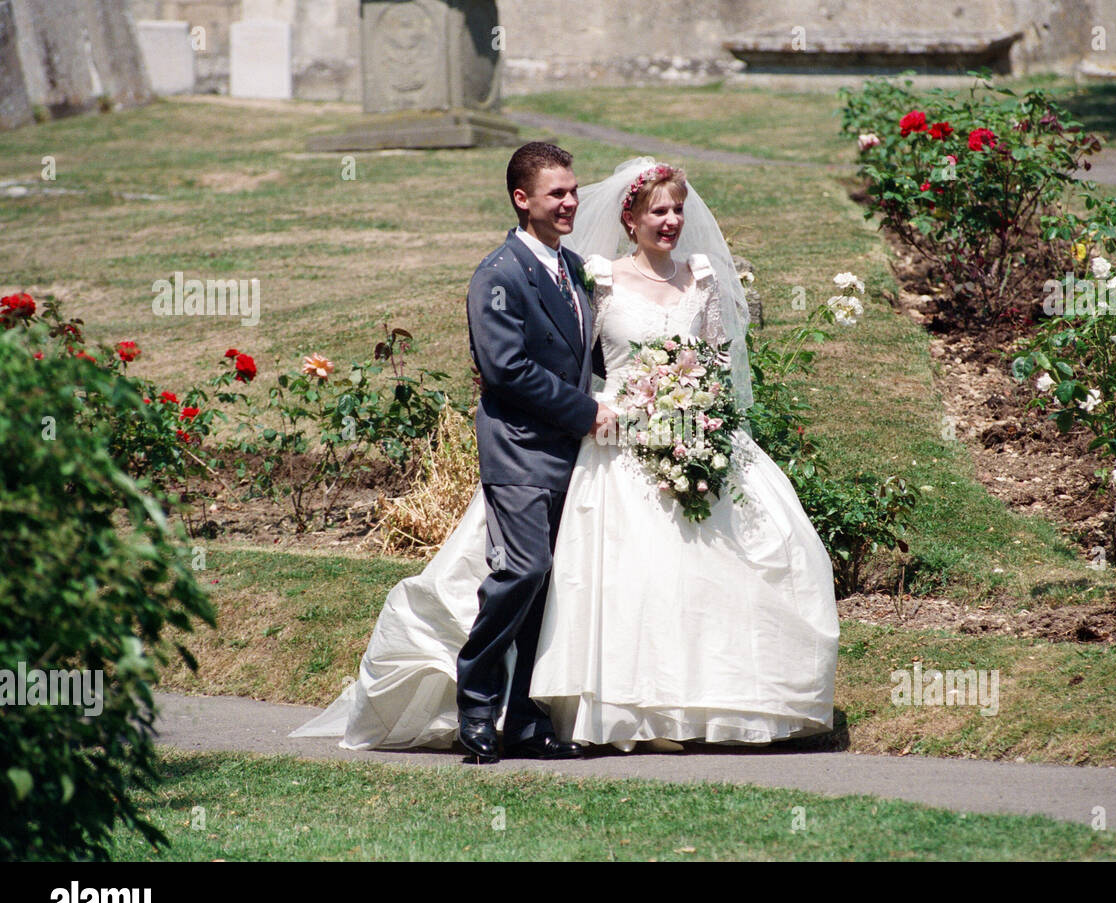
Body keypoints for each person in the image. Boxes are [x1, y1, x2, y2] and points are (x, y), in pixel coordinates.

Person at [290, 155, 839, 755]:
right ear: (523, 199)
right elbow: (506, 368)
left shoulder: (578, 272)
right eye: (558, 194)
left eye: (575, 192)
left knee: (557, 588)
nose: (572, 203)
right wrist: (596, 411)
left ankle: (529, 721)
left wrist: (677, 404)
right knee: (521, 574)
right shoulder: (500, 274)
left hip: (603, 447)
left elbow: (603, 358)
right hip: (532, 451)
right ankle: (478, 707)